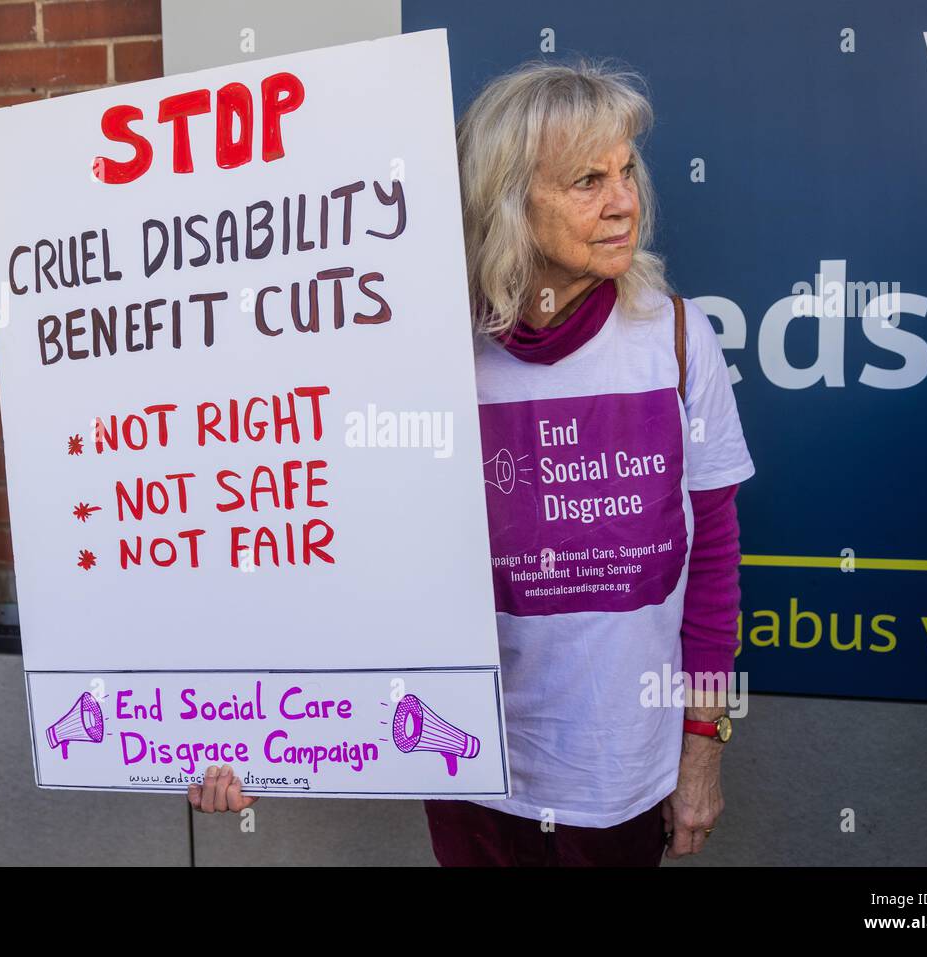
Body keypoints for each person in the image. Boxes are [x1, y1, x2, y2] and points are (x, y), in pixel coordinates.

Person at [191, 56, 755, 869]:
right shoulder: (430, 353)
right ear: (507, 202)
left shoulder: (673, 337)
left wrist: (702, 747)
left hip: (623, 771)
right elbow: (348, 553)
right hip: (471, 773)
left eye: (626, 171)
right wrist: (251, 735)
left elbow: (713, 567)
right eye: (586, 180)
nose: (624, 201)